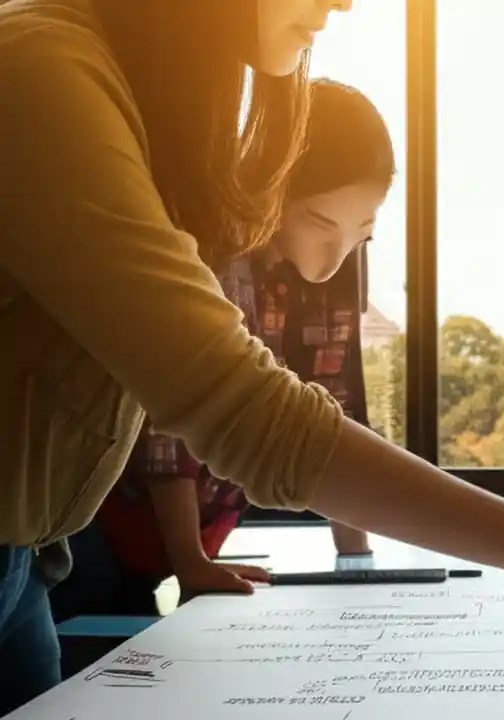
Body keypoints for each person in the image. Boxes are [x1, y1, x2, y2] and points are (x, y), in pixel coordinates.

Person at [0, 0, 504, 713]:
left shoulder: (115, 95)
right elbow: (242, 411)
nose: (345, 3)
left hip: (26, 566)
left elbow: (309, 404)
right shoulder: (39, 75)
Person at [48, 78, 393, 620]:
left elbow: (333, 407)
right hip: (102, 512)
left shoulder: (340, 267)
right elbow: (171, 425)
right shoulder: (214, 244)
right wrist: (188, 560)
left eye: (363, 232)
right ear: (273, 191)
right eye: (321, 223)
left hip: (206, 523)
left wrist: (357, 558)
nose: (336, 255)